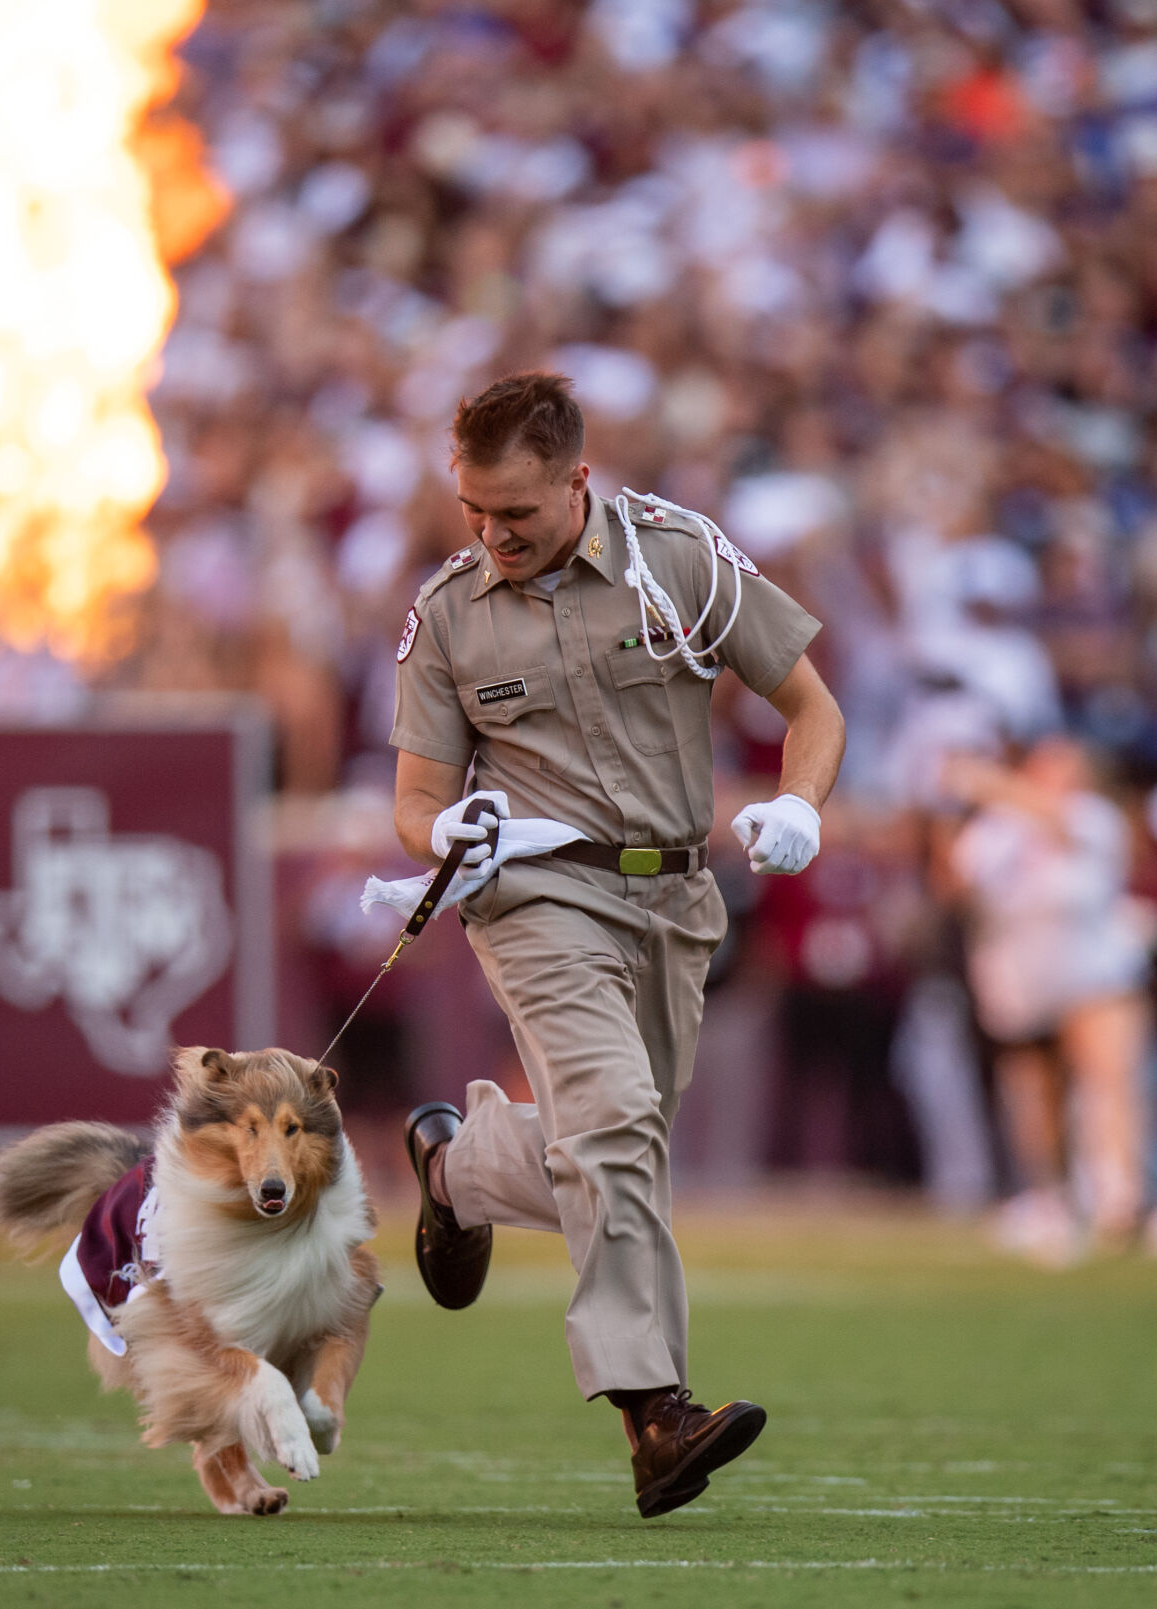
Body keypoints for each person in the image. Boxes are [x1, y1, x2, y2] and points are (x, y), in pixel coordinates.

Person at [391, 373, 845, 1518]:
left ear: (577, 481)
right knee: (614, 1123)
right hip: (539, 896)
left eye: (517, 513)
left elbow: (815, 709)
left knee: (611, 1144)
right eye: (473, 510)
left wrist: (801, 806)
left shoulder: (676, 558)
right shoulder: (448, 612)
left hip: (676, 901)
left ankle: (458, 1169)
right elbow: (416, 796)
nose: (493, 534)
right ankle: (654, 1412)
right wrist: (446, 828)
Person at [943, 738, 1153, 1263]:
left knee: (1110, 1082)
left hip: (1093, 973)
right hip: (1021, 983)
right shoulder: (995, 832)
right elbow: (959, 888)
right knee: (1037, 1099)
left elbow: (1057, 822)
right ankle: (1052, 1200)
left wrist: (988, 784)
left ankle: (1120, 1201)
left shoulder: (1094, 817)